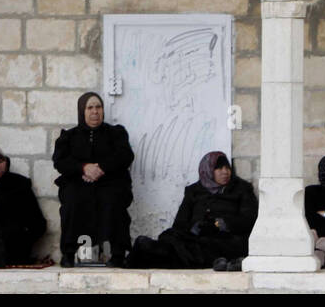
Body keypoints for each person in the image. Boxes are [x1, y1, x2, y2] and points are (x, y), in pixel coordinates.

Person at [127, 151, 257, 270]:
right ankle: (149, 249)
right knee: (173, 238)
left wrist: (221, 224)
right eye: (219, 168)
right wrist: (195, 227)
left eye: (227, 168)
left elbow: (249, 218)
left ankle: (152, 252)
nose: (225, 172)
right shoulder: (194, 191)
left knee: (195, 250)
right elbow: (180, 223)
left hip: (226, 240)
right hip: (195, 239)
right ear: (208, 170)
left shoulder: (241, 189)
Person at [52, 91, 134, 267]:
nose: (95, 111)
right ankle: (68, 252)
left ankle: (118, 253)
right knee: (72, 201)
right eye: (90, 108)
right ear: (82, 111)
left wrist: (101, 168)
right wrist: (83, 168)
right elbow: (60, 161)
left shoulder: (116, 133)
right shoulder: (69, 136)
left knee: (113, 199)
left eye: (98, 107)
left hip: (109, 182)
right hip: (78, 182)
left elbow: (125, 155)